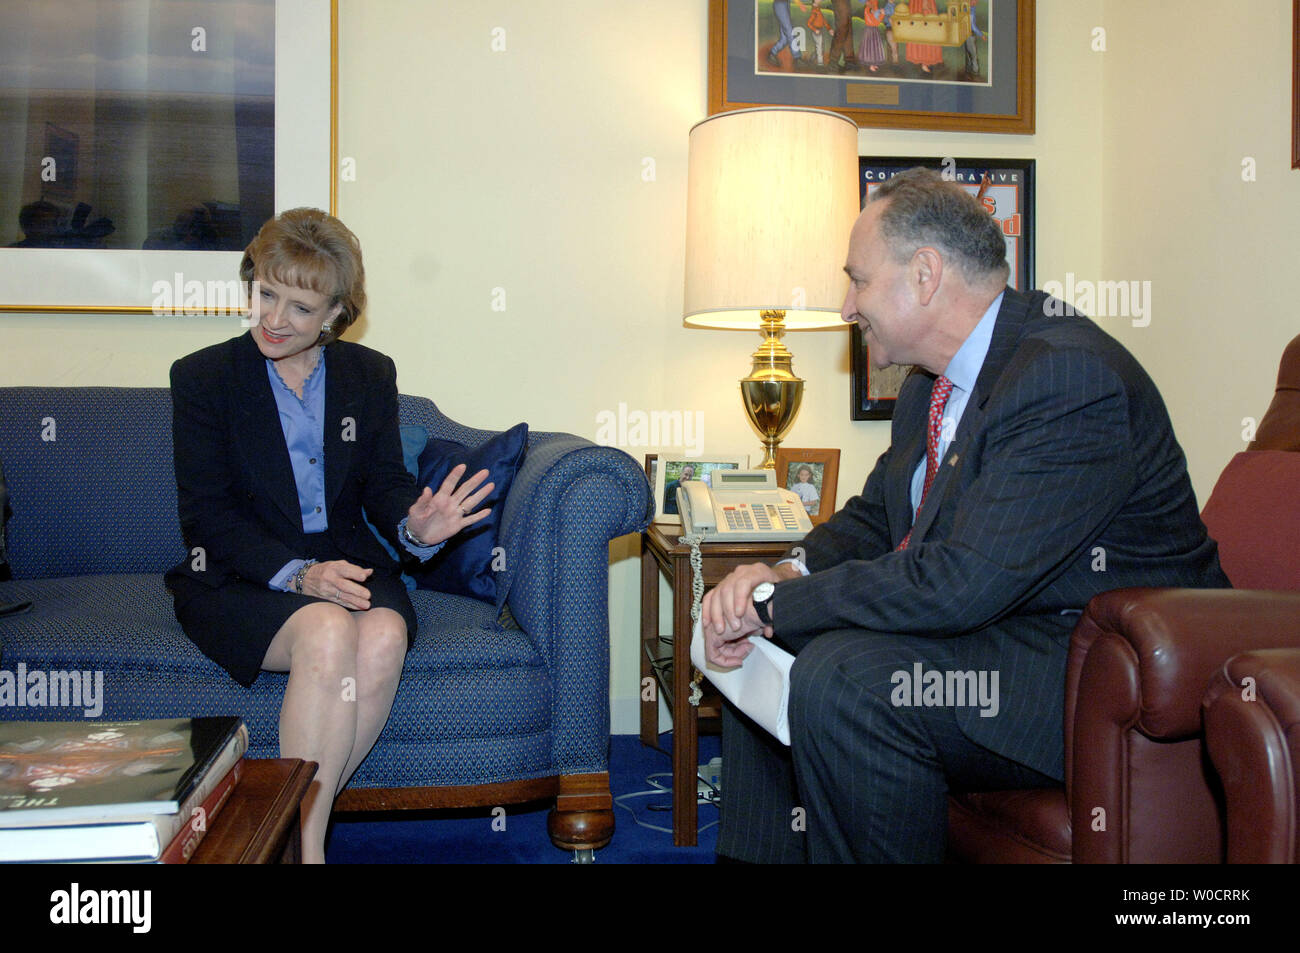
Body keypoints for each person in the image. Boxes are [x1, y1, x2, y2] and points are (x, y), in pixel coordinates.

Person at [701, 168, 1231, 863]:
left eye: (857, 279)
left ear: (924, 275)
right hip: (1001, 635)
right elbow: (875, 516)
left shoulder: (1067, 377)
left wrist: (779, 602)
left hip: (1091, 669)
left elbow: (959, 581)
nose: (845, 304)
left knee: (846, 679)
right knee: (773, 647)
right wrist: (780, 570)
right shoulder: (930, 386)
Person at [165, 208, 493, 863]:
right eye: (266, 293)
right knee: (326, 628)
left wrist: (414, 525)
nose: (275, 319)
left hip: (350, 564)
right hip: (241, 575)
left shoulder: (368, 376)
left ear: (338, 313)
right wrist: (298, 574)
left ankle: (291, 838)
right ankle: (308, 853)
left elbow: (383, 484)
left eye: (301, 307)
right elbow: (208, 516)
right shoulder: (204, 379)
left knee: (383, 635)